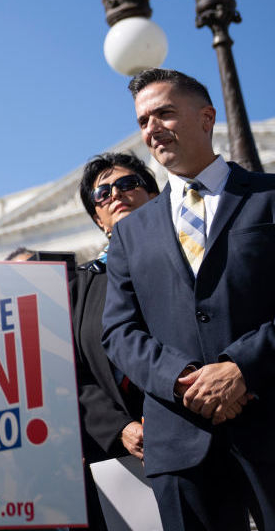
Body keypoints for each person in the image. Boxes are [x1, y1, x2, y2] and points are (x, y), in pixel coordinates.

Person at [102, 68, 275, 530]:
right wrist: (182, 380)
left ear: (206, 117)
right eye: (143, 121)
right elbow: (119, 331)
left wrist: (242, 368)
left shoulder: (269, 198)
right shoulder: (128, 234)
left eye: (164, 113)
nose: (151, 129)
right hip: (180, 443)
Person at [71, 152, 159, 529]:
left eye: (127, 184)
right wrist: (120, 429)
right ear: (97, 218)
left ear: (155, 196)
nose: (116, 195)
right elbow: (70, 372)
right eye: (102, 194)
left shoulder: (189, 263)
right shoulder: (78, 287)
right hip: (119, 461)